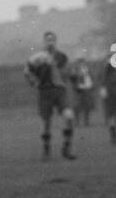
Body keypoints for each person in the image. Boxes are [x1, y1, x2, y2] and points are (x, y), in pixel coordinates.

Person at [23, 31, 76, 160]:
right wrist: (33, 81)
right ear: (44, 42)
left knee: (69, 116)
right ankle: (46, 151)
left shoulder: (62, 57)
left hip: (60, 91)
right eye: (48, 40)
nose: (50, 42)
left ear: (55, 41)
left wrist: (70, 75)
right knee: (46, 122)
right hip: (45, 92)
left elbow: (69, 72)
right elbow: (27, 71)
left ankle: (66, 148)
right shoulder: (38, 58)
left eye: (52, 40)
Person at [70, 52, 96, 126]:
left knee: (87, 106)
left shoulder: (88, 69)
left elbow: (92, 77)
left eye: (82, 60)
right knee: (76, 106)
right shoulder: (74, 69)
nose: (80, 62)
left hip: (87, 89)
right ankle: (77, 121)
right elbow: (72, 79)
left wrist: (92, 85)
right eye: (79, 60)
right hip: (78, 90)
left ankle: (86, 121)